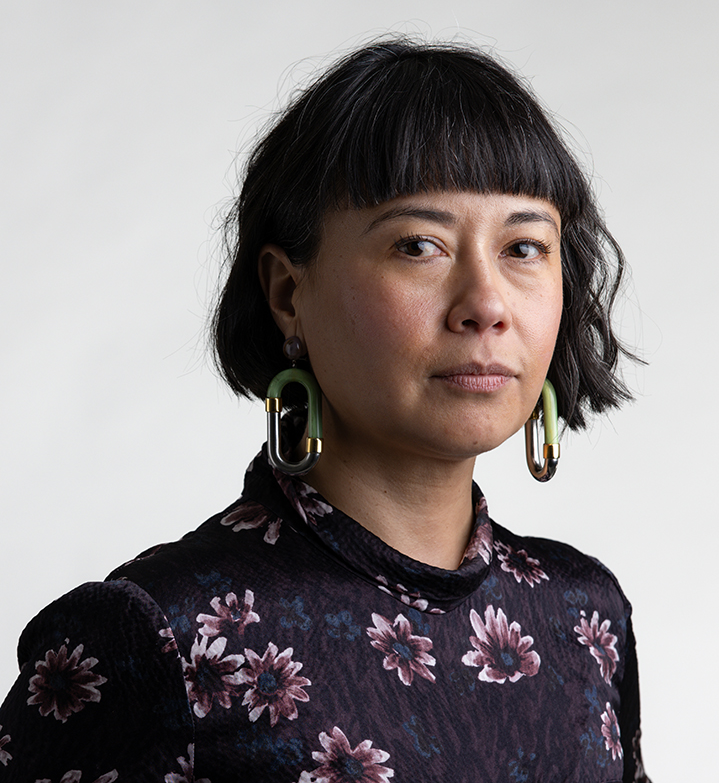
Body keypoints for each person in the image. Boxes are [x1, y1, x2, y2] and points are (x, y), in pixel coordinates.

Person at [0, 38, 650, 782]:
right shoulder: (159, 637)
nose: (486, 304)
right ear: (286, 294)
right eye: (418, 245)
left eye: (525, 247)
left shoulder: (584, 618)